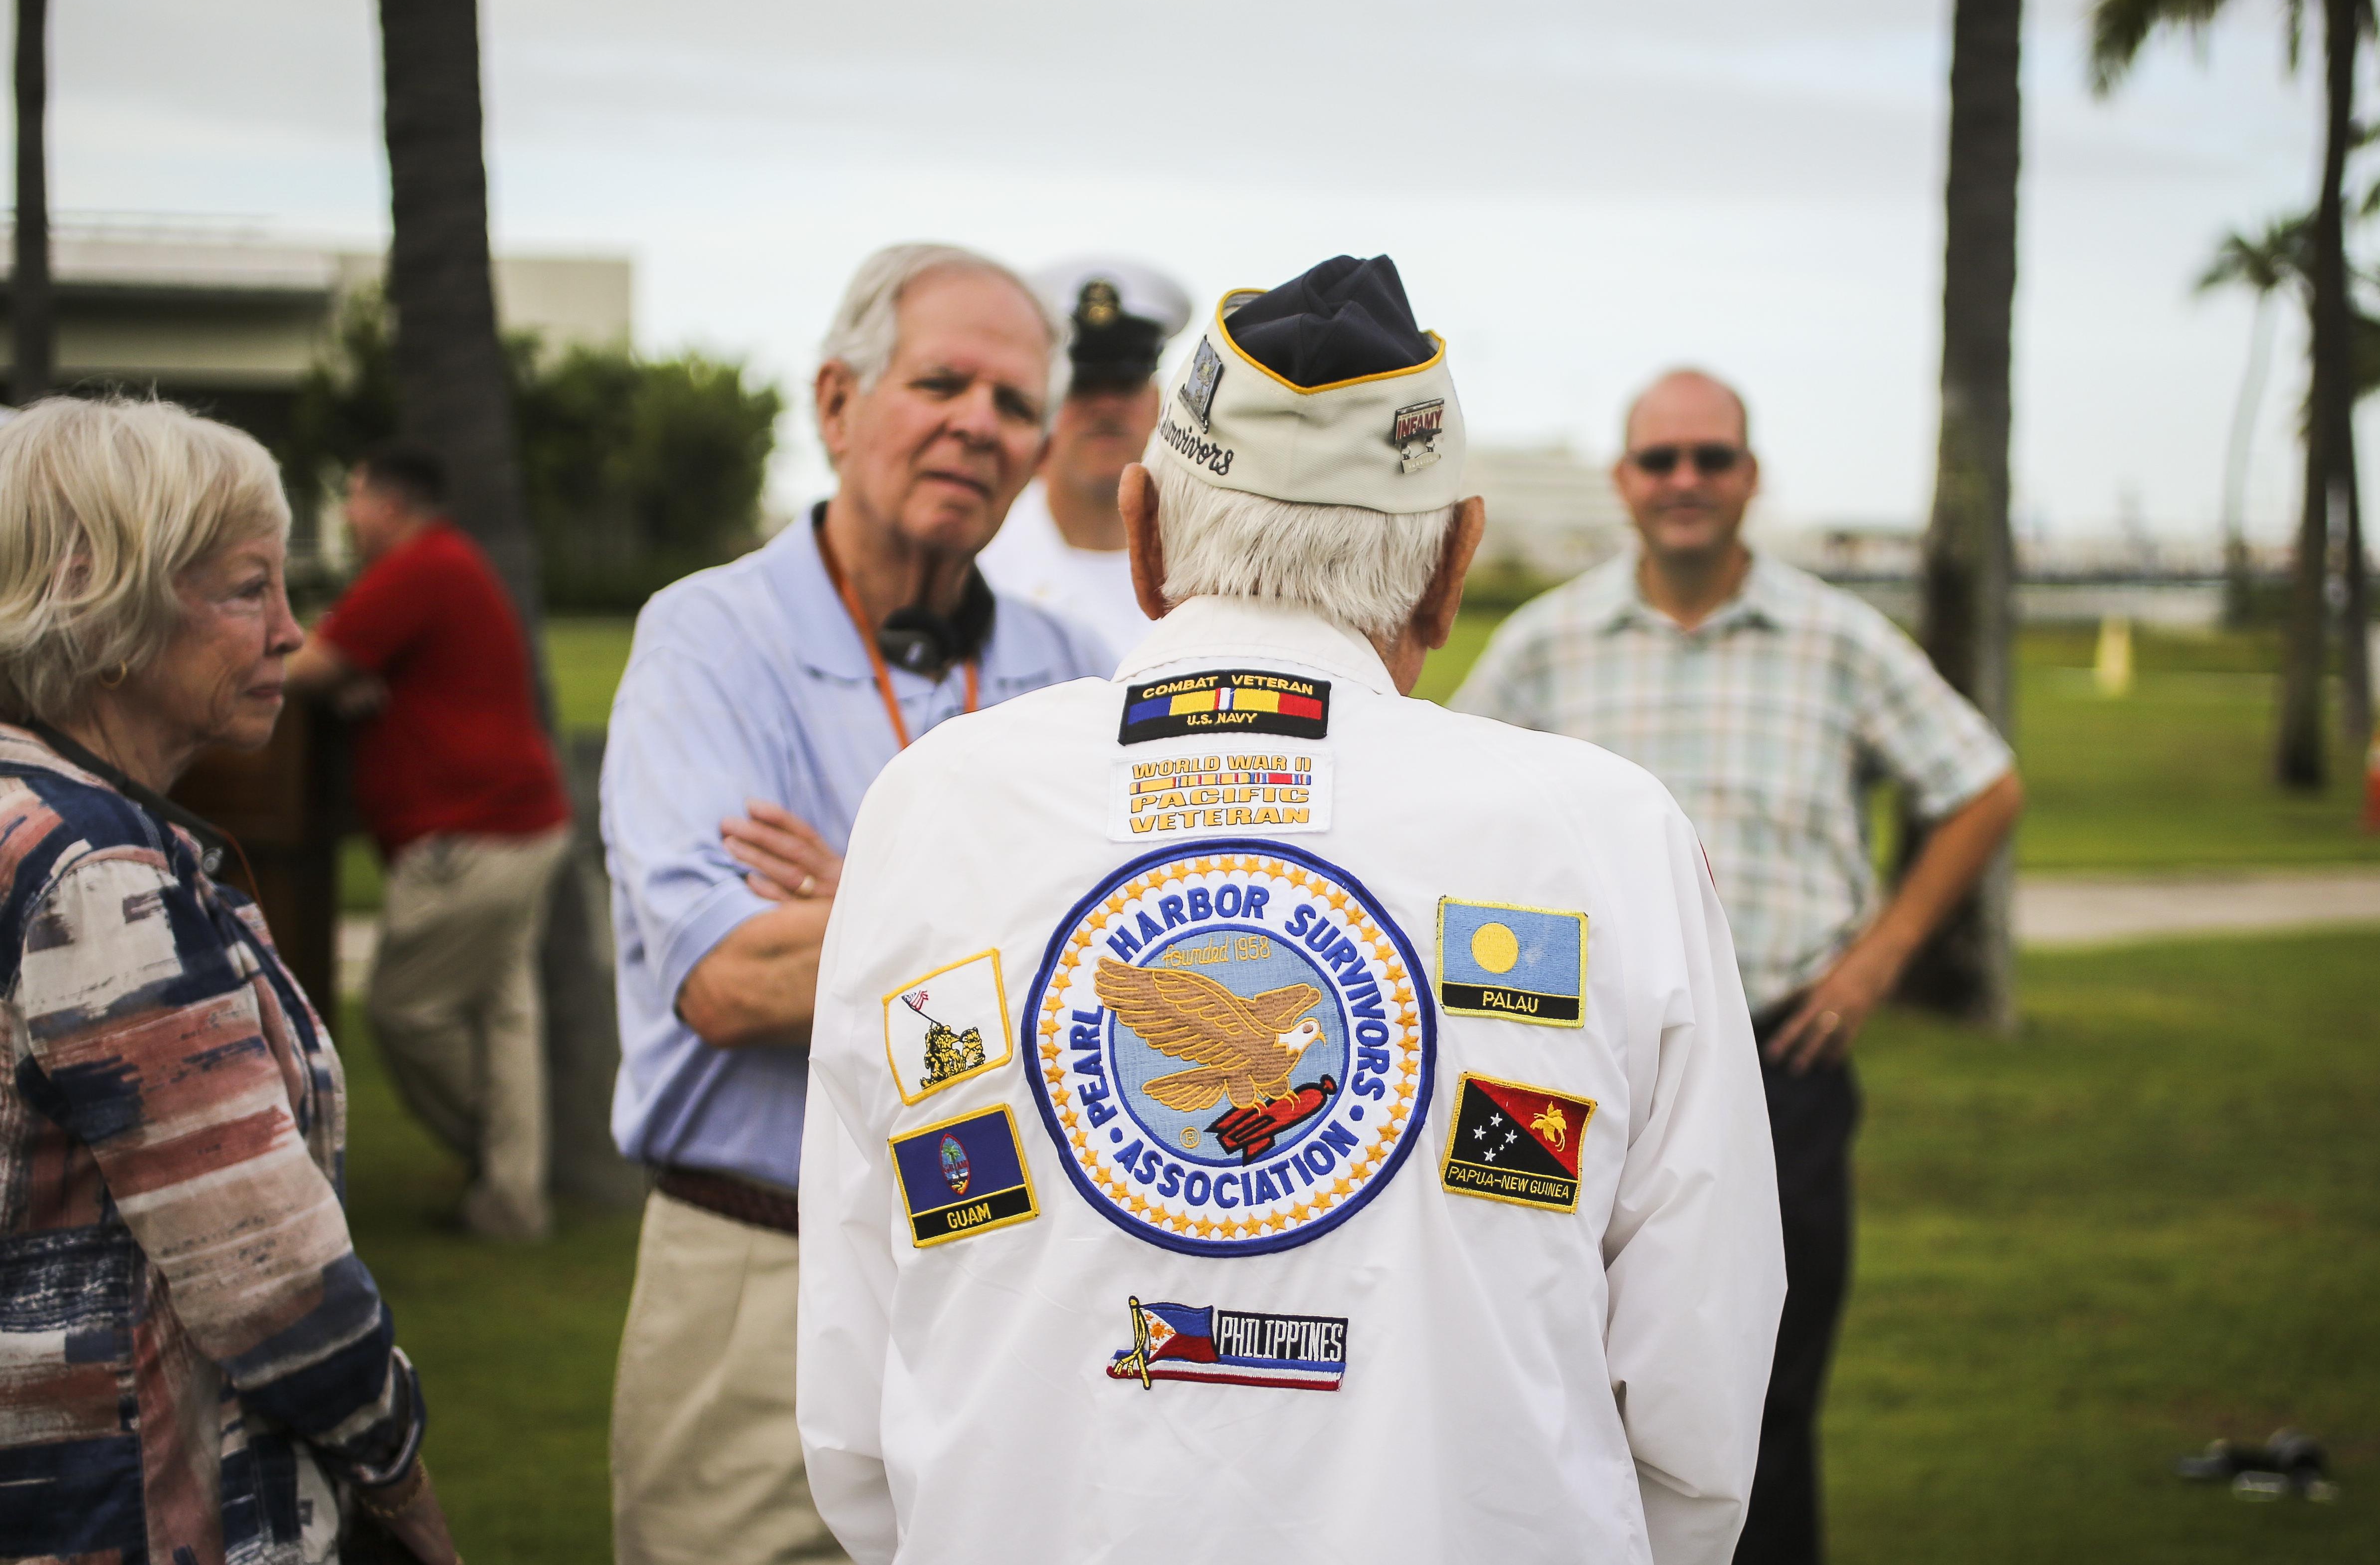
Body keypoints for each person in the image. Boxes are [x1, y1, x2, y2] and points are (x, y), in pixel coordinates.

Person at [796, 253, 1785, 1565]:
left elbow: (856, 1373)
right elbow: (1696, 1384)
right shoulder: (1604, 836)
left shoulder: (934, 806)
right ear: (1450, 562)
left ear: (1143, 534)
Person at [1454, 367, 2024, 1563]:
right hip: (1582, 1071)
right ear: (1623, 480)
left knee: (1763, 1391)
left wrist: (1879, 961)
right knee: (1558, 1362)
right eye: (1660, 460)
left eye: (1711, 459)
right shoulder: (1548, 643)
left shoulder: (1836, 637)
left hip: (1781, 1063)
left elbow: (1981, 783)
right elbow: (1457, 811)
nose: (1685, 483)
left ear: (1750, 478)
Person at [600, 242, 1116, 1565]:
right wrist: (1013, 920)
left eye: (1012, 406)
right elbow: (727, 983)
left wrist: (860, 898)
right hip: (758, 1261)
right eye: (940, 382)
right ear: (836, 403)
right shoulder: (707, 640)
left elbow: (1137, 963)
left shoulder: (1073, 673)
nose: (978, 427)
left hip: (1017, 1272)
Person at [0, 397, 457, 1564]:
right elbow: (272, 1283)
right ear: (103, 598)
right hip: (139, 1507)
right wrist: (401, 1483)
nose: (293, 633)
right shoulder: (93, 871)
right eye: (248, 589)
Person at [287, 442, 571, 1243]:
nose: (346, 514)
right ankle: (512, 1203)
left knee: (404, 1009)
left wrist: (322, 667)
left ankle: (495, 1156)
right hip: (521, 823)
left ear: (388, 503)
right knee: (504, 1019)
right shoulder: (450, 563)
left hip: (473, 836)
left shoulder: (420, 568)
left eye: (353, 496)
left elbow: (306, 665)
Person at [975, 257, 1191, 654]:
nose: (1106, 406)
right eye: (1083, 385)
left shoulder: (1208, 561)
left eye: (1125, 383)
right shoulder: (979, 566)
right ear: (1041, 403)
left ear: (1156, 402)